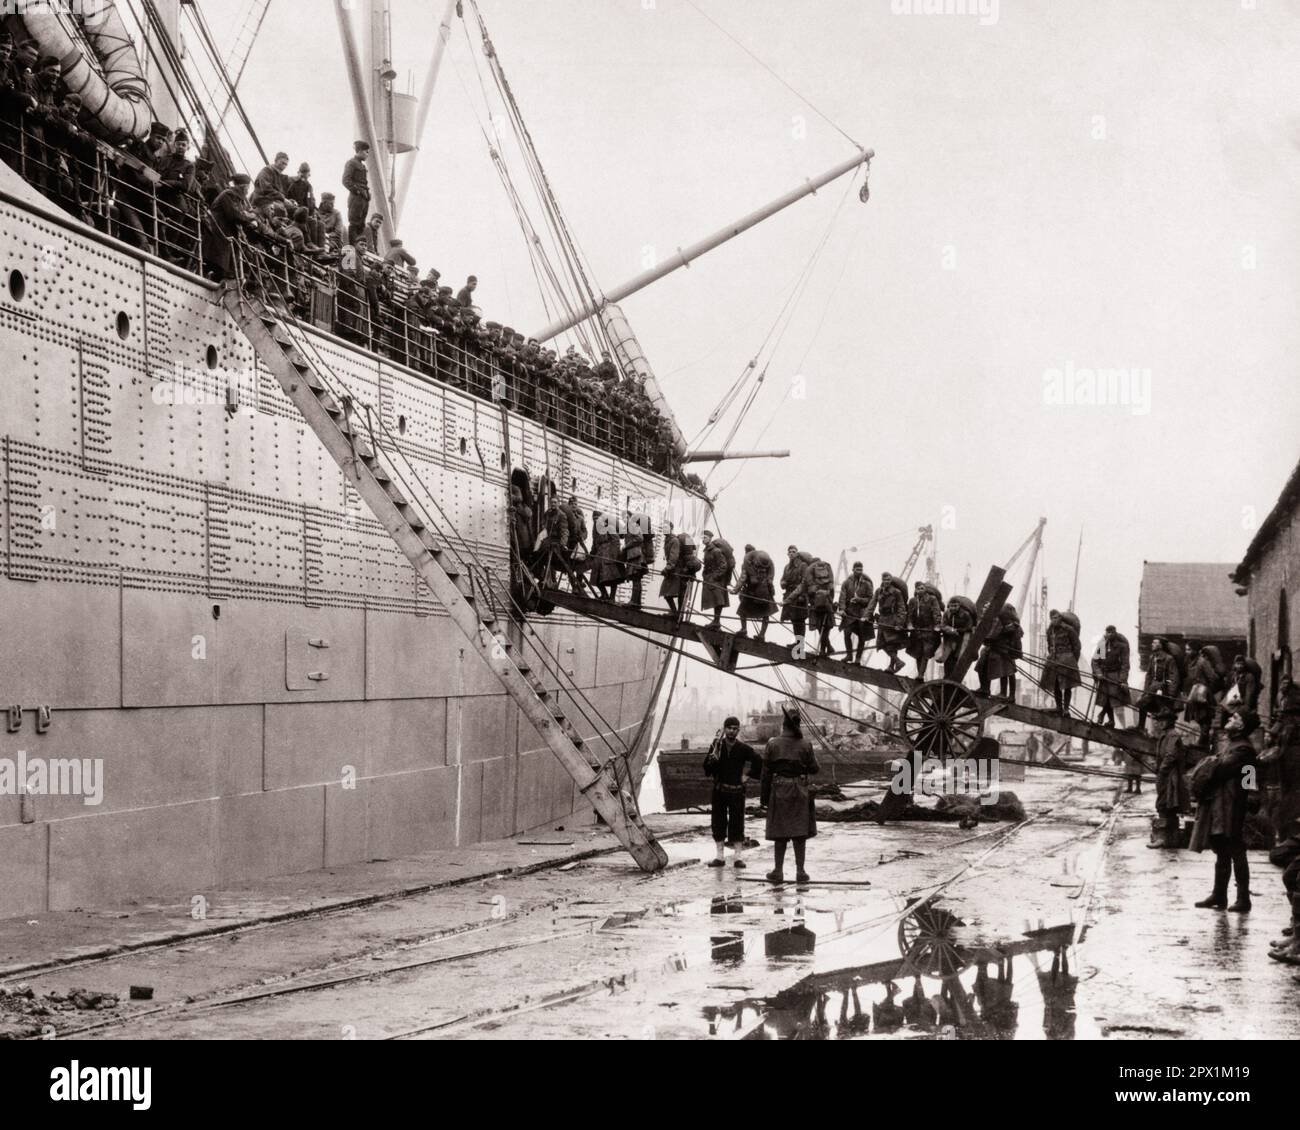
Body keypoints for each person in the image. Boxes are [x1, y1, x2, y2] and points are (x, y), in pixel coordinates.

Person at [1190, 711, 1260, 913]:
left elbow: (1222, 771)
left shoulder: (1244, 749)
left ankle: (1243, 899)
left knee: (1236, 849)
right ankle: (1219, 895)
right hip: (1223, 804)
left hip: (1233, 805)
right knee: (1221, 849)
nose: (1229, 719)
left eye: (1235, 718)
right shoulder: (1234, 745)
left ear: (1241, 726)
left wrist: (1209, 764)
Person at [761, 708, 819, 884]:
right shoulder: (806, 744)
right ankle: (800, 871)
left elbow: (766, 773)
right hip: (800, 791)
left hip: (779, 791)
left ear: (783, 725)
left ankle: (778, 871)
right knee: (799, 832)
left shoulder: (772, 744)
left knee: (780, 833)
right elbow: (815, 768)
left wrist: (764, 799)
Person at [703, 716, 763, 869]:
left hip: (737, 791)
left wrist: (747, 775)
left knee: (737, 823)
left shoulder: (743, 748)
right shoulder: (716, 745)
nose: (732, 731)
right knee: (718, 822)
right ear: (724, 729)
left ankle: (737, 857)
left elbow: (759, 761)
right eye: (729, 728)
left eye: (735, 728)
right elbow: (706, 769)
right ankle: (719, 857)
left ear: (738, 730)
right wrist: (712, 760)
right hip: (719, 791)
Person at [1148, 709, 1194, 847]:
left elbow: (1171, 756)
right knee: (1169, 805)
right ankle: (1171, 838)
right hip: (1167, 774)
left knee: (1163, 804)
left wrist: (1161, 770)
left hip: (1170, 776)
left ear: (1170, 722)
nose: (1159, 723)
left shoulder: (1172, 736)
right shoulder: (1166, 735)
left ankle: (1162, 838)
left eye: (1163, 721)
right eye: (1159, 721)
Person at [1038, 609, 1081, 716]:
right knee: (1056, 685)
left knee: (1067, 685)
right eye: (1052, 618)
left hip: (1067, 659)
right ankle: (1059, 708)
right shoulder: (1050, 630)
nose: (1054, 620)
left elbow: (1077, 646)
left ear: (1060, 618)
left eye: (1056, 618)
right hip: (1054, 660)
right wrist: (1052, 656)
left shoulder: (1069, 630)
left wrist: (1073, 660)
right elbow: (1049, 645)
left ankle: (1066, 709)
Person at [1134, 637, 1180, 731]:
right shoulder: (1153, 657)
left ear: (1161, 645)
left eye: (1155, 643)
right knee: (1142, 703)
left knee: (1164, 713)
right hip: (1153, 688)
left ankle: (1166, 732)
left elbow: (1173, 677)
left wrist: (1171, 694)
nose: (1152, 644)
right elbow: (1149, 675)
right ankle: (1141, 727)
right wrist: (1145, 691)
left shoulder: (1169, 659)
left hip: (1164, 689)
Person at [794, 556, 837, 657]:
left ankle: (823, 650)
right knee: (825, 628)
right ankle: (828, 647)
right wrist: (831, 600)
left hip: (816, 606)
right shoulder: (826, 571)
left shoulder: (810, 575)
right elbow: (832, 590)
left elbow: (803, 589)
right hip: (826, 604)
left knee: (820, 627)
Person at [977, 605, 1023, 700]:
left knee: (1007, 672)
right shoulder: (999, 621)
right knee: (984, 666)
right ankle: (986, 689)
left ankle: (1007, 695)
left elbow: (993, 636)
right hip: (997, 649)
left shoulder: (1007, 624)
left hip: (1004, 651)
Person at [733, 544, 777, 640]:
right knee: (766, 613)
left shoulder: (747, 563)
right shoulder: (766, 561)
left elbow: (743, 578)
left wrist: (735, 590)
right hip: (765, 591)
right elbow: (771, 577)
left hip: (752, 591)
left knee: (742, 610)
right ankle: (762, 634)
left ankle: (744, 629)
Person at [1091, 625, 1132, 728]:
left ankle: (1102, 715)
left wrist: (1122, 680)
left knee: (1112, 697)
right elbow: (1095, 661)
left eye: (1110, 632)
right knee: (1106, 697)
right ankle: (1111, 721)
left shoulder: (1122, 646)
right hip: (1104, 675)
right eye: (1107, 632)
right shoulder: (1102, 645)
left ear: (1115, 633)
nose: (1108, 634)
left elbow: (1125, 665)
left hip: (1115, 675)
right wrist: (1098, 673)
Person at [869, 572, 909, 674]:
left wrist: (900, 623)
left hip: (893, 619)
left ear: (891, 581)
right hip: (882, 619)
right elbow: (872, 604)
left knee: (892, 644)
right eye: (884, 580)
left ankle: (892, 666)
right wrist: (865, 616)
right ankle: (898, 661)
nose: (886, 582)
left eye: (888, 580)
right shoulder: (879, 591)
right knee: (881, 644)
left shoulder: (896, 592)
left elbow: (902, 608)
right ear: (882, 580)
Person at [907, 581, 944, 681]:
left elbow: (936, 612)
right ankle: (920, 674)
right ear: (915, 590)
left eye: (922, 588)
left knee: (926, 652)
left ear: (925, 589)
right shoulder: (913, 601)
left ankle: (921, 674)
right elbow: (909, 614)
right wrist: (910, 624)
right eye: (918, 589)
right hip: (917, 630)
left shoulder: (932, 599)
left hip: (929, 629)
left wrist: (937, 625)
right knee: (917, 652)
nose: (920, 590)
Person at [839, 562, 875, 664]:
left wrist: (859, 600)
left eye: (861, 570)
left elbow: (871, 600)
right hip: (850, 613)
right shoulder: (847, 583)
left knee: (862, 636)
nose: (859, 572)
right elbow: (842, 596)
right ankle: (849, 655)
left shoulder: (867, 584)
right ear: (853, 570)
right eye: (857, 570)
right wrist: (842, 609)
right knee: (847, 633)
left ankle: (858, 658)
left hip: (862, 613)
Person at [699, 530, 735, 630]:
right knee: (716, 601)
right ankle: (716, 622)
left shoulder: (716, 551)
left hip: (717, 580)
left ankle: (716, 622)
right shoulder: (708, 550)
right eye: (702, 537)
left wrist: (714, 576)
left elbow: (723, 566)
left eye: (705, 537)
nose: (703, 539)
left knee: (718, 601)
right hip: (712, 579)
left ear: (710, 538)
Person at [940, 595, 976, 680]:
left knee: (958, 657)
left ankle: (955, 678)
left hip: (961, 639)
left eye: (955, 606)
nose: (953, 608)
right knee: (948, 657)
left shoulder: (965, 615)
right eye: (951, 606)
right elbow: (943, 625)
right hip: (950, 638)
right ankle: (946, 677)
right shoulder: (947, 614)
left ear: (959, 606)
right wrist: (950, 630)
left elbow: (969, 627)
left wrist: (957, 630)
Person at [780, 546, 811, 642]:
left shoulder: (803, 565)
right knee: (794, 620)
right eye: (789, 552)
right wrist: (783, 583)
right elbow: (782, 580)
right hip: (789, 594)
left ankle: (799, 646)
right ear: (787, 554)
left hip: (799, 596)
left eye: (793, 552)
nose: (791, 553)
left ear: (797, 554)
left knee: (800, 621)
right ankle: (797, 644)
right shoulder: (787, 567)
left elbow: (805, 583)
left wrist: (802, 595)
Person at [589, 511, 623, 600]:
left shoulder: (610, 527)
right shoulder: (596, 531)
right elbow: (594, 543)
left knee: (613, 577)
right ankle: (604, 594)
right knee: (595, 577)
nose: (596, 521)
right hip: (600, 555)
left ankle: (612, 598)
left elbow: (616, 541)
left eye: (597, 519)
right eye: (594, 519)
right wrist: (592, 553)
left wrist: (615, 555)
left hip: (610, 554)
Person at [343, 139, 371, 243]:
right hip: (356, 198)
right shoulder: (351, 163)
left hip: (364, 198)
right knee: (354, 223)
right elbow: (345, 180)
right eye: (366, 151)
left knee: (361, 224)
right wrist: (358, 191)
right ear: (359, 151)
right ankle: (352, 249)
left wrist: (367, 194)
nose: (367, 154)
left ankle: (358, 249)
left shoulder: (362, 165)